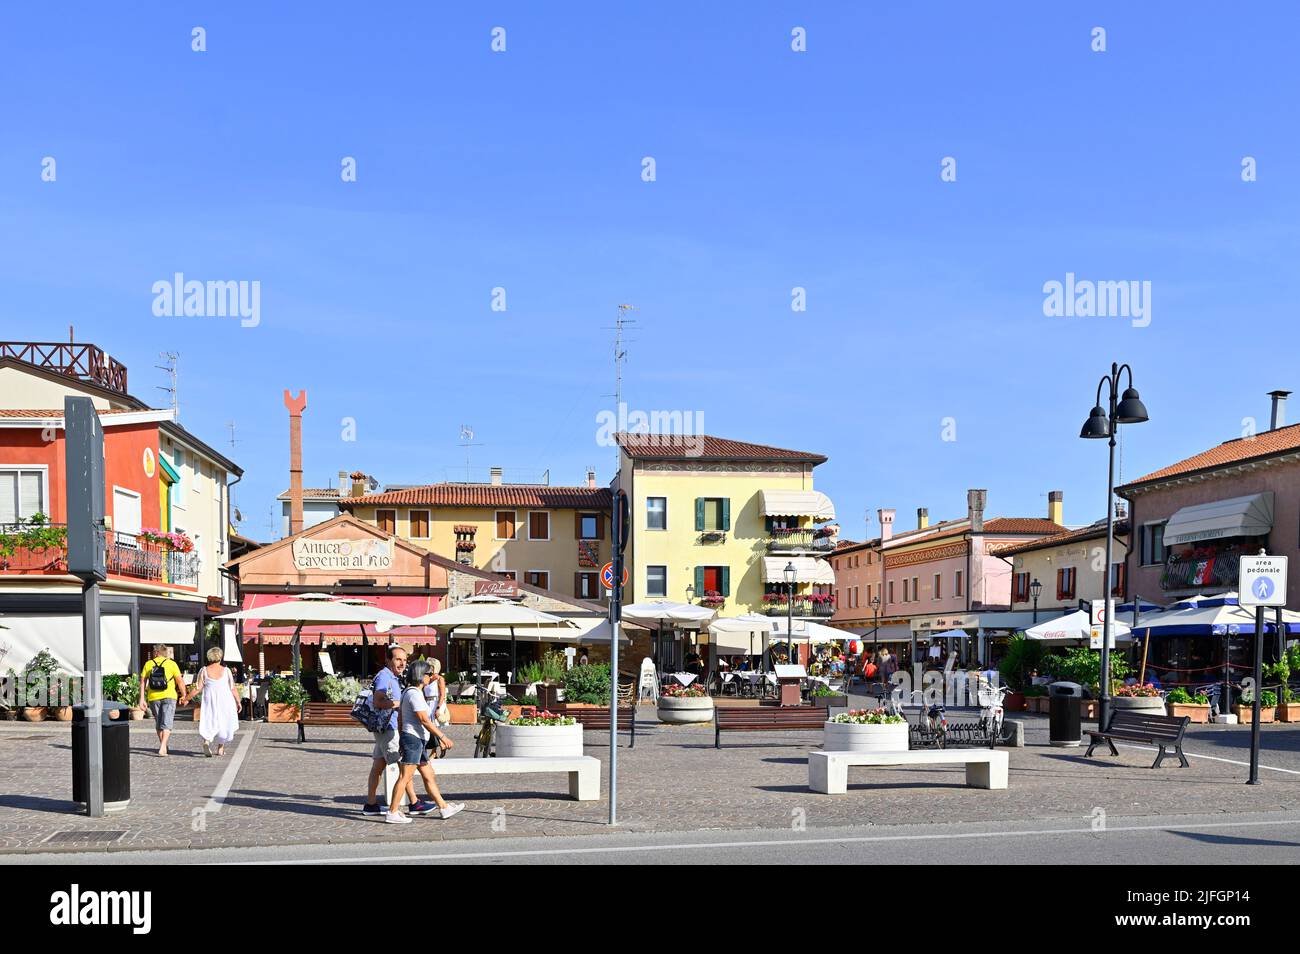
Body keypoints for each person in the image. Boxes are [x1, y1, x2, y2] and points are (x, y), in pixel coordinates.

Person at [387, 660, 463, 824]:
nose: (431, 676)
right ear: (421, 675)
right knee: (405, 776)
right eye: (428, 673)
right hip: (413, 739)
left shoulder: (411, 692)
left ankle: (444, 807)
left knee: (429, 775)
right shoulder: (414, 693)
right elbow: (424, 720)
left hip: (415, 739)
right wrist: (442, 737)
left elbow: (400, 718)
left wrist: (401, 739)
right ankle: (392, 811)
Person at [363, 646, 415, 816]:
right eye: (398, 659)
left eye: (405, 660)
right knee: (404, 766)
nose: (402, 663)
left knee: (378, 765)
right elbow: (378, 701)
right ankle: (413, 803)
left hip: (384, 727)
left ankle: (371, 804)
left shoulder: (391, 676)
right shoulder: (385, 677)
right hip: (388, 727)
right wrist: (400, 704)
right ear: (388, 660)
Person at [138, 644, 187, 757]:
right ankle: (163, 746)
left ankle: (163, 745)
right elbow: (179, 681)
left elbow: (142, 682)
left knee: (159, 722)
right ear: (165, 653)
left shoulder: (149, 664)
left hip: (153, 697)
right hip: (169, 696)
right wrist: (184, 695)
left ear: (156, 653)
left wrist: (142, 699)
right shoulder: (172, 664)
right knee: (167, 722)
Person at [194, 646, 241, 757]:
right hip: (225, 700)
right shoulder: (226, 671)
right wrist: (238, 701)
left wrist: (186, 698)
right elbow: (232, 688)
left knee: (210, 718)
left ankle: (207, 740)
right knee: (224, 722)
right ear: (220, 657)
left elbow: (198, 688)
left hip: (209, 699)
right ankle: (220, 748)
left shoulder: (204, 670)